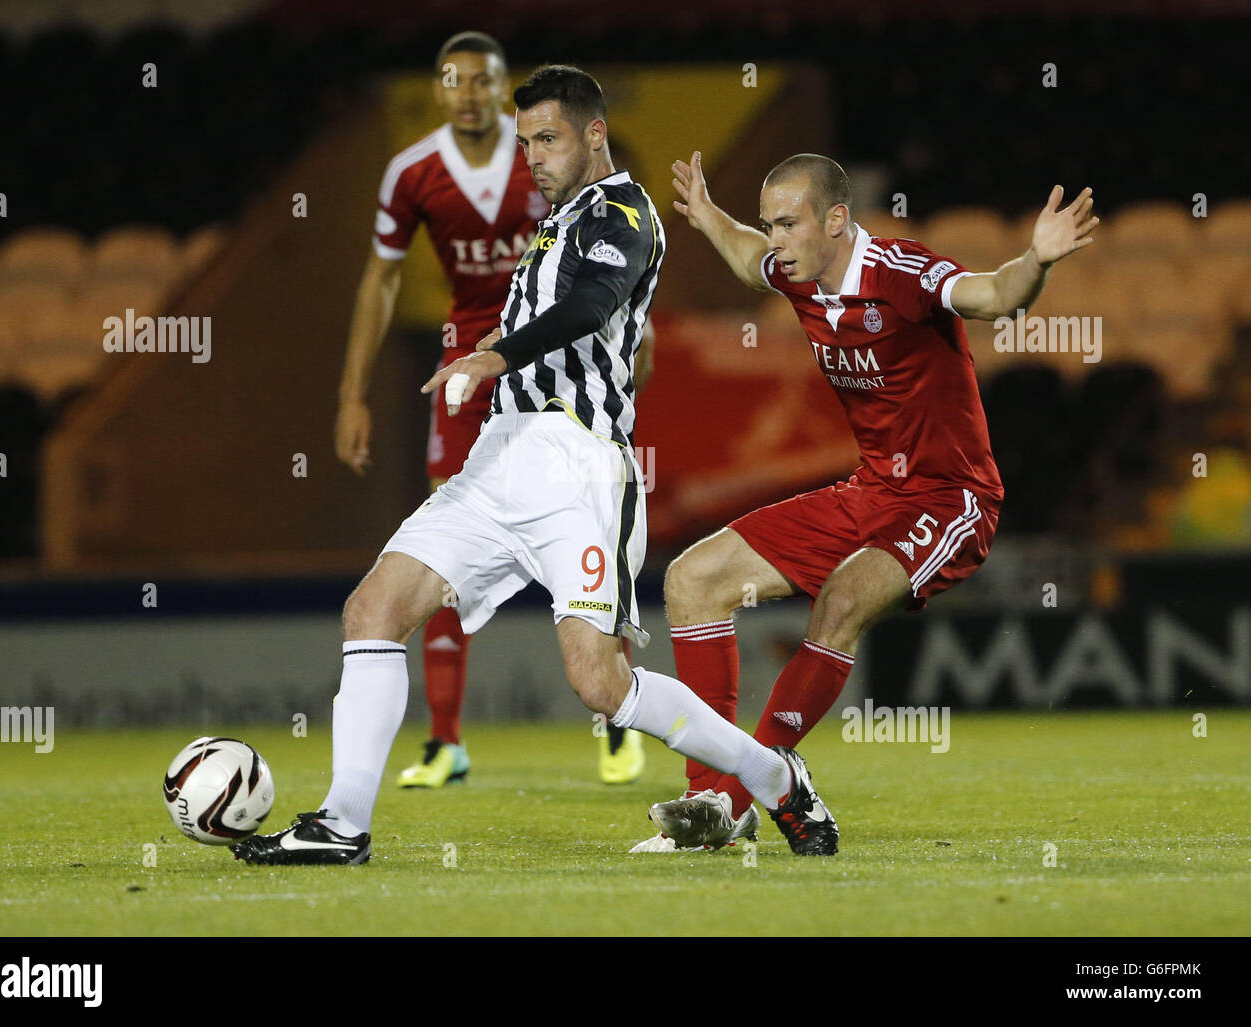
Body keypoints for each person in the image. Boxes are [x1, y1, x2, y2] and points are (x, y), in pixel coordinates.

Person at [232, 66, 829, 866]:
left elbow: (593, 304)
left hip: (577, 464)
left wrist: (491, 354)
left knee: (600, 683)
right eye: (524, 144)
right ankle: (343, 824)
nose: (533, 157)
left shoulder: (624, 210)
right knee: (372, 609)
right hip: (499, 458)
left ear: (593, 134)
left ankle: (774, 778)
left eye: (547, 139)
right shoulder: (554, 223)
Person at [633, 151, 1096, 854]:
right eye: (771, 225)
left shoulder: (901, 276)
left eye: (788, 224)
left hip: (951, 498)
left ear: (838, 220)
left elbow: (996, 296)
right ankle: (713, 803)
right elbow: (744, 255)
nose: (776, 240)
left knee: (842, 600)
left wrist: (1036, 259)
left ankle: (738, 797)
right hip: (871, 490)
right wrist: (709, 215)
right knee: (691, 579)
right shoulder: (798, 273)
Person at [335, 32, 643, 788]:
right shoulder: (413, 171)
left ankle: (615, 711)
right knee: (439, 541)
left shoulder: (550, 152)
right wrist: (352, 392)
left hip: (568, 372)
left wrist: (636, 339)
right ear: (438, 90)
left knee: (597, 530)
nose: (469, 93)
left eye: (484, 80)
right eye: (454, 80)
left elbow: (609, 271)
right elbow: (379, 279)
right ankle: (445, 738)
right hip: (468, 369)